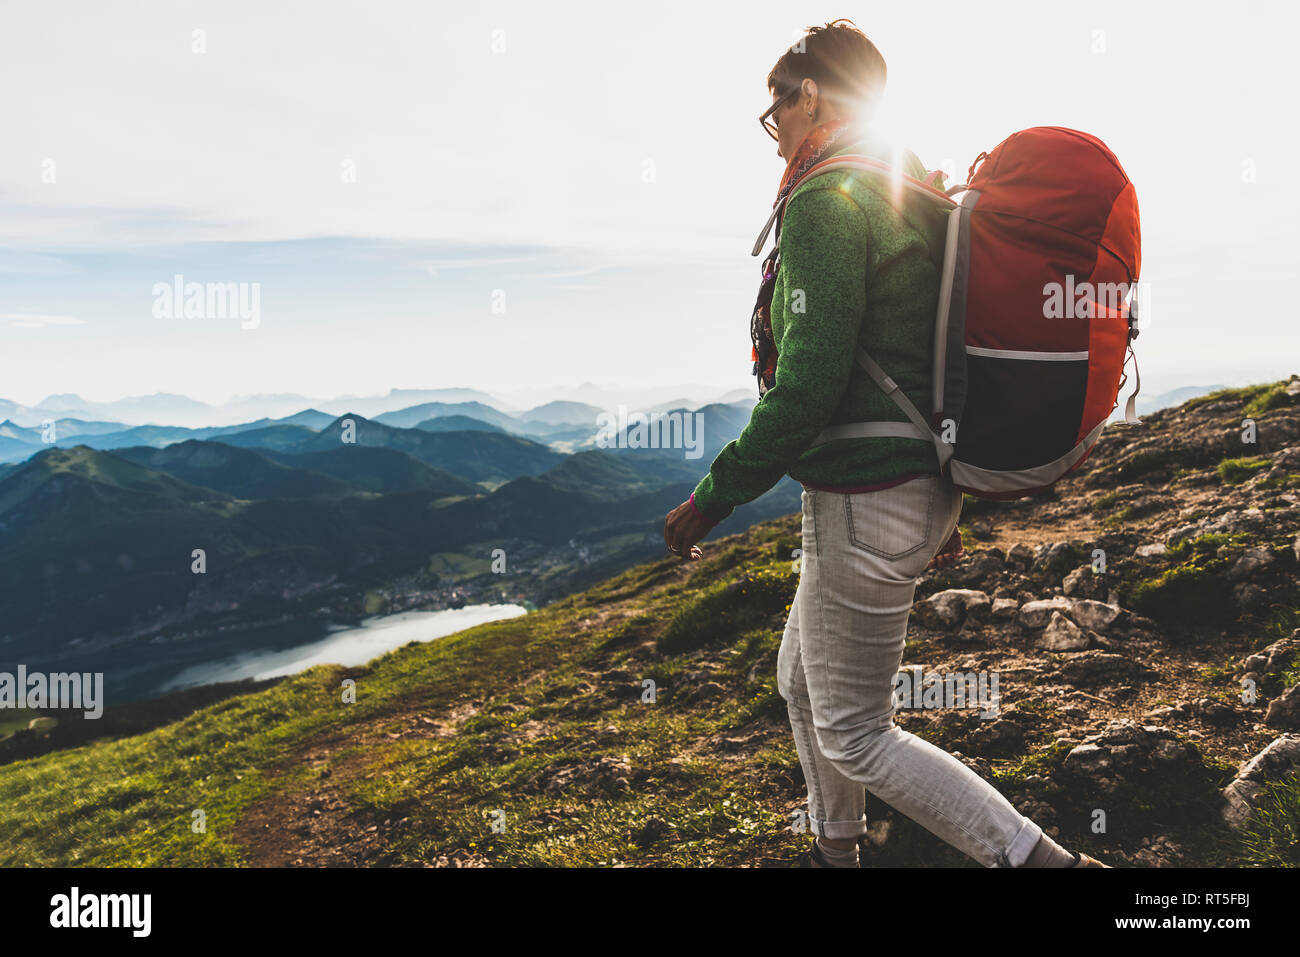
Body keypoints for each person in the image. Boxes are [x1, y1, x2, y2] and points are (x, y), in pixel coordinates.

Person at [662, 19, 1107, 868]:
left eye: (775, 110)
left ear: (814, 94)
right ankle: (838, 850)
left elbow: (809, 385)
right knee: (801, 682)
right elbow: (938, 358)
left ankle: (1051, 864)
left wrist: (710, 497)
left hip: (866, 496)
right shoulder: (909, 189)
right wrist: (943, 493)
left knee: (860, 733)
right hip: (908, 487)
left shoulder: (829, 200)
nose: (774, 131)